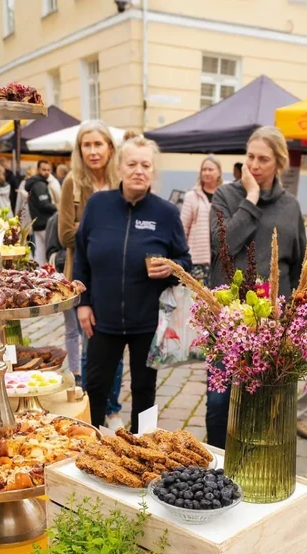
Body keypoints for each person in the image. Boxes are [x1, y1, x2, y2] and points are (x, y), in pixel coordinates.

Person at [76, 135, 191, 431]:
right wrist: (83, 303)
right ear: (119, 168)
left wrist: (171, 267)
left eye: (145, 165)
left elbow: (186, 262)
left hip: (147, 322)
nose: (139, 170)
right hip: (102, 319)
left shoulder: (166, 213)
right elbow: (81, 259)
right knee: (95, 386)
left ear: (152, 171)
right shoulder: (98, 205)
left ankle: (145, 446)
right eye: (132, 164)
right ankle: (90, 444)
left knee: (145, 391)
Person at [205, 127, 306, 449]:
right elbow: (221, 246)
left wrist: (293, 313)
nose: (255, 165)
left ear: (279, 163)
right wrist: (250, 199)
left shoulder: (290, 206)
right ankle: (220, 460)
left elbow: (301, 261)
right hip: (228, 317)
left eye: (264, 159)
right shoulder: (225, 196)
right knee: (219, 399)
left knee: (265, 396)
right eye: (250, 157)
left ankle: (255, 459)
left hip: (272, 321)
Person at [58, 120, 121, 408]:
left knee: (116, 344)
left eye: (98, 144)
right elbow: (65, 234)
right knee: (89, 343)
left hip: (115, 276)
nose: (93, 151)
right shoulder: (73, 183)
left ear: (110, 148)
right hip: (82, 276)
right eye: (87, 145)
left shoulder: (120, 181)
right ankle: (91, 405)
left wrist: (88, 227)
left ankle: (113, 406)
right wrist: (102, 232)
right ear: (79, 150)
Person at [181, 155, 222, 281]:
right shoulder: (191, 196)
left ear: (219, 172)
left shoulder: (224, 195)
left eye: (210, 169)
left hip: (220, 259)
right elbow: (183, 228)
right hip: (198, 259)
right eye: (204, 170)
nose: (207, 173)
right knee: (197, 298)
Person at [26, 159, 56, 264]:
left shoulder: (34, 183)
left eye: (48, 170)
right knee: (48, 253)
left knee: (40, 252)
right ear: (38, 170)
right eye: (44, 169)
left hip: (37, 222)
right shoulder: (40, 184)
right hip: (45, 223)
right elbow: (44, 204)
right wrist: (57, 208)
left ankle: (40, 274)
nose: (46, 172)